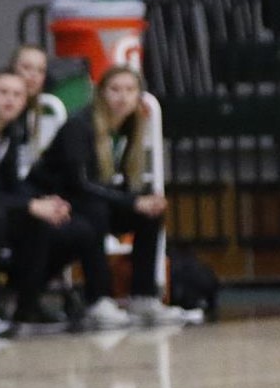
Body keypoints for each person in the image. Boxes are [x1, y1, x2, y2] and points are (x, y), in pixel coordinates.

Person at [26, 66, 184, 327]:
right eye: (115, 90)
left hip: (90, 199)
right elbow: (79, 184)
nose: (123, 97)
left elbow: (115, 184)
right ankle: (99, 299)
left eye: (130, 90)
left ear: (138, 96)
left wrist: (141, 201)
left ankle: (143, 297)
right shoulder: (79, 125)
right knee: (97, 210)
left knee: (150, 212)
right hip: (59, 200)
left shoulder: (131, 126)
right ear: (101, 94)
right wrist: (133, 202)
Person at [0, 69, 74, 335]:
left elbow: (11, 183)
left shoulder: (14, 130)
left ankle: (26, 305)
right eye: (3, 92)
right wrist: (29, 205)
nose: (10, 100)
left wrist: (39, 202)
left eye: (17, 95)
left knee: (41, 223)